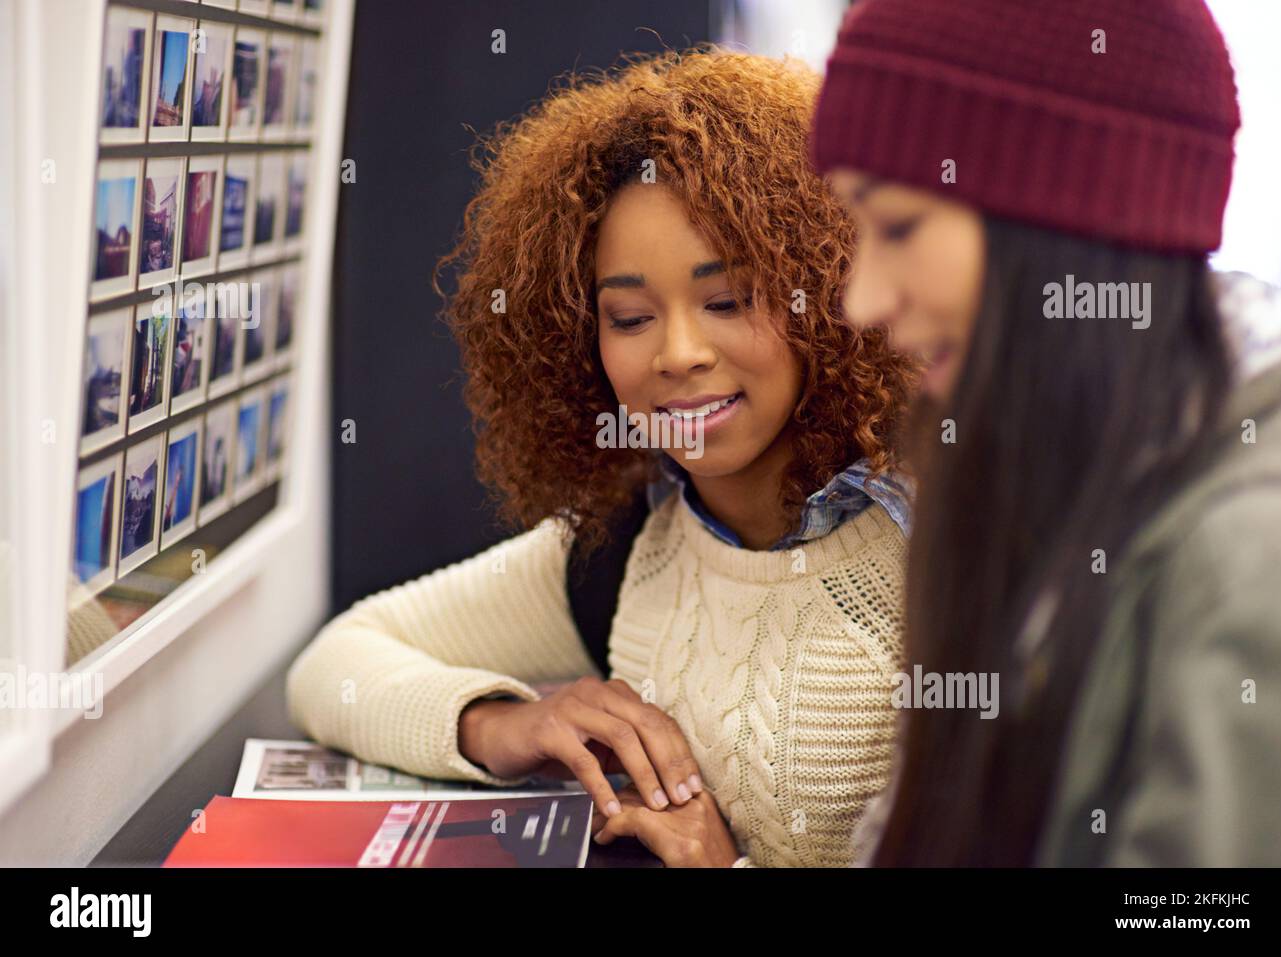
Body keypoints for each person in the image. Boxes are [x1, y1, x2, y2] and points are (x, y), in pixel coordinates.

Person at [286, 48, 917, 867]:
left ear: (828, 296)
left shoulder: (938, 560)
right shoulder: (626, 546)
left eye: (727, 300)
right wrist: (509, 722)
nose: (679, 352)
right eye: (629, 317)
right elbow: (333, 665)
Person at [810, 0, 1281, 865]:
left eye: (898, 227)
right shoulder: (1035, 472)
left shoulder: (1260, 545)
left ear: (1066, 223)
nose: (861, 299)